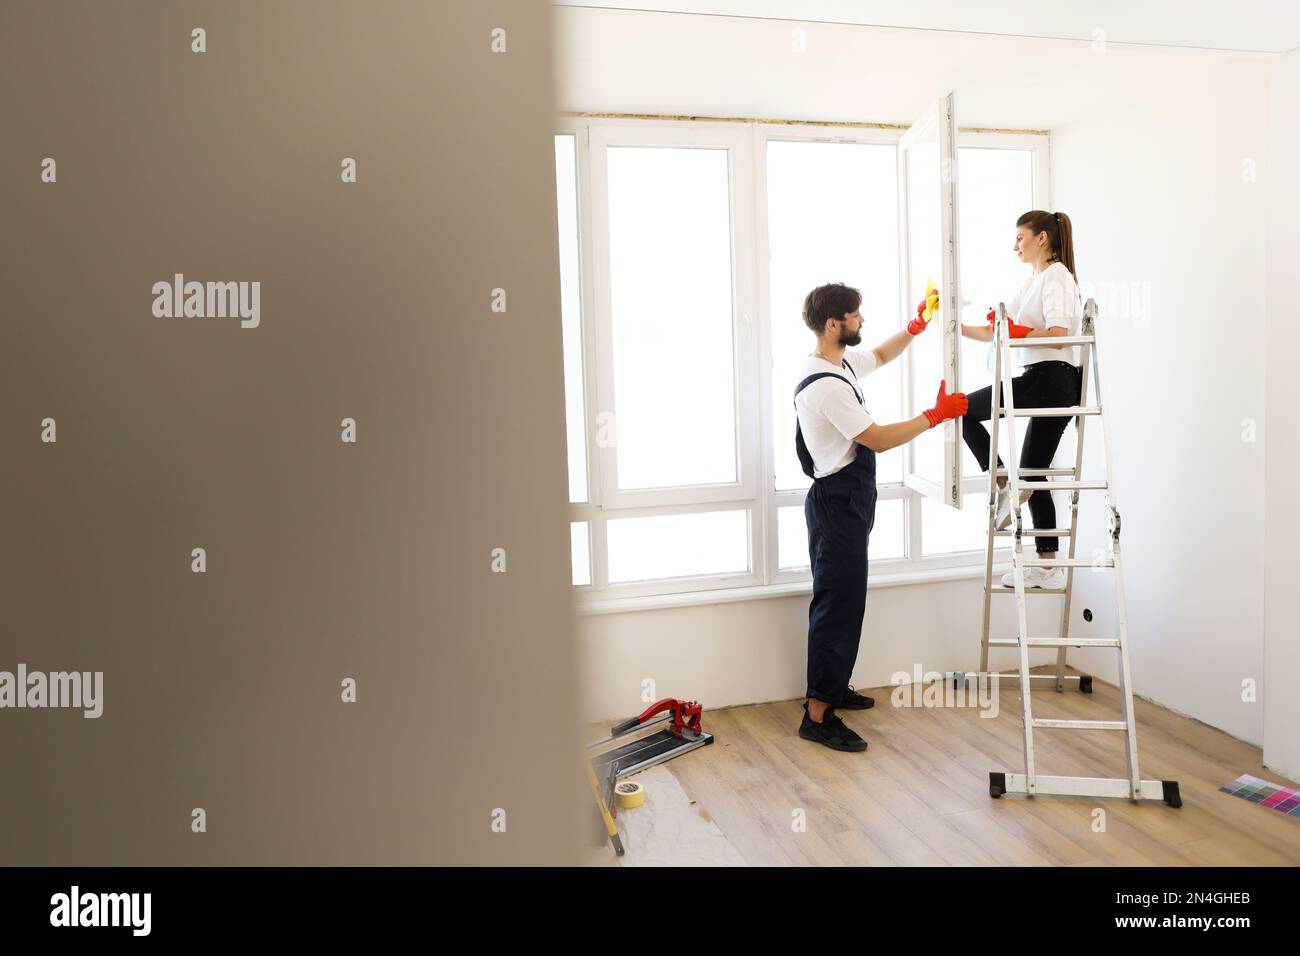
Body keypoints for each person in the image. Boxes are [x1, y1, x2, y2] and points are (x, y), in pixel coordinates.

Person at [794, 282, 968, 752]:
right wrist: (935, 415)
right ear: (834, 324)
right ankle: (817, 714)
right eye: (855, 315)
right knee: (836, 604)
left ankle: (833, 688)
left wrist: (917, 325)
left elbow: (883, 355)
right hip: (837, 503)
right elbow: (878, 439)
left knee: (847, 600)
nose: (862, 321)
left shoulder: (840, 363)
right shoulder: (827, 386)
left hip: (848, 499)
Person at [959, 210, 1083, 588]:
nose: (1015, 245)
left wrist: (1020, 331)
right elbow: (996, 330)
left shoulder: (1056, 277)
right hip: (1050, 381)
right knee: (1031, 473)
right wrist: (952, 326)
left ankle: (1000, 481)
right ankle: (1047, 566)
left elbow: (1059, 334)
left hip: (1052, 379)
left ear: (1042, 238)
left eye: (1020, 237)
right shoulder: (1033, 281)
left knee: (961, 409)